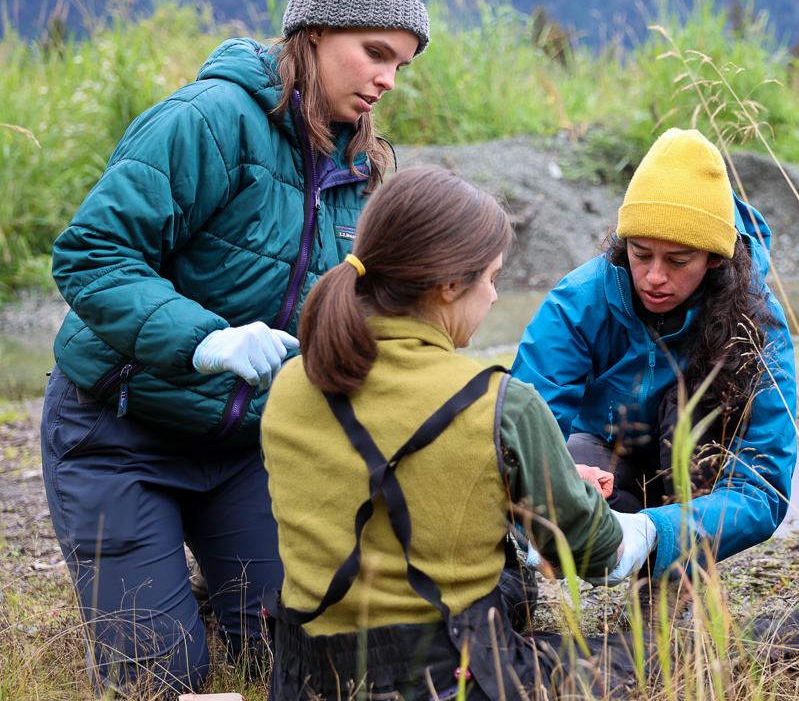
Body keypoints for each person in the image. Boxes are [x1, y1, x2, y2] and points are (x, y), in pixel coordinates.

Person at [39, 0, 429, 695]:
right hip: (119, 433)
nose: (387, 80)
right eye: (375, 53)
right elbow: (90, 256)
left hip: (246, 449)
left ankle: (208, 598)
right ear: (315, 31)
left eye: (401, 65)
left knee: (293, 664)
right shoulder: (207, 120)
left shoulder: (361, 167)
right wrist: (204, 340)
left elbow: (364, 314)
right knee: (164, 678)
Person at [261, 167, 652, 700]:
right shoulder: (500, 403)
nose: (493, 297)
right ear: (448, 286)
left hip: (306, 676)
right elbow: (596, 551)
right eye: (490, 278)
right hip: (441, 677)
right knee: (667, 654)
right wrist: (602, 508)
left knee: (511, 582)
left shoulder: (290, 383)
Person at [512, 127, 798, 582]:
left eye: (678, 261)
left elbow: (763, 488)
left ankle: (671, 577)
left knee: (690, 408)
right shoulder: (579, 301)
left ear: (715, 259)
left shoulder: (757, 322)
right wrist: (556, 487)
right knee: (560, 457)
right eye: (641, 254)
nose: (654, 277)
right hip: (610, 462)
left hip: (697, 486)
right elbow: (519, 436)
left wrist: (653, 532)